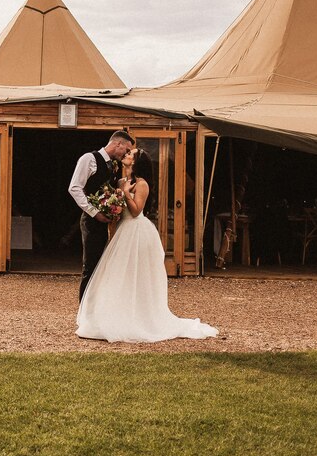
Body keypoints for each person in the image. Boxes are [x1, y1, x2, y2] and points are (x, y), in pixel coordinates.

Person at [76, 148, 219, 343]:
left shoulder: (141, 184)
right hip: (122, 232)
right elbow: (119, 212)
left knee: (134, 273)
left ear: (136, 162)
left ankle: (139, 317)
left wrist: (126, 195)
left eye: (130, 154)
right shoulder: (120, 181)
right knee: (116, 273)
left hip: (137, 231)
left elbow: (135, 212)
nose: (126, 155)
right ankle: (113, 314)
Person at [68, 130, 135, 302]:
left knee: (101, 266)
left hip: (106, 222)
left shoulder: (113, 164)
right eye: (126, 149)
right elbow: (75, 188)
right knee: (90, 266)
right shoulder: (89, 159)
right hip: (91, 221)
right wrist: (94, 212)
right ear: (117, 143)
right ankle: (84, 311)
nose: (126, 154)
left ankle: (96, 307)